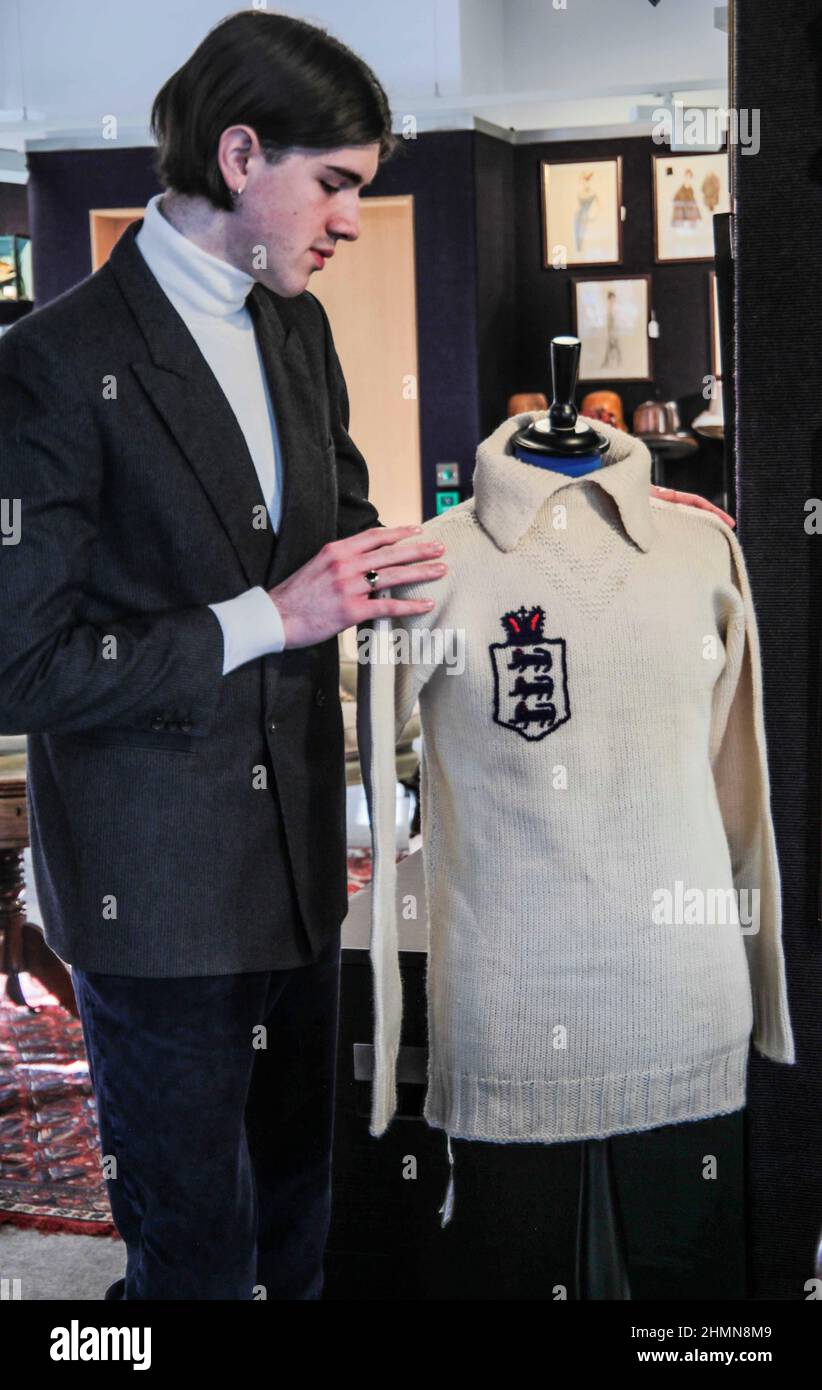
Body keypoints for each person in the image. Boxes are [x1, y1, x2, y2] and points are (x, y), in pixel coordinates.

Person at [0, 9, 735, 1300]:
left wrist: (591, 535)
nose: (349, 219)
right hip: (151, 903)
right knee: (195, 1263)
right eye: (334, 184)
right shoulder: (49, 367)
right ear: (240, 155)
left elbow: (356, 543)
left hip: (300, 892)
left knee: (302, 1232)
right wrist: (269, 618)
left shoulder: (298, 329)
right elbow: (22, 660)